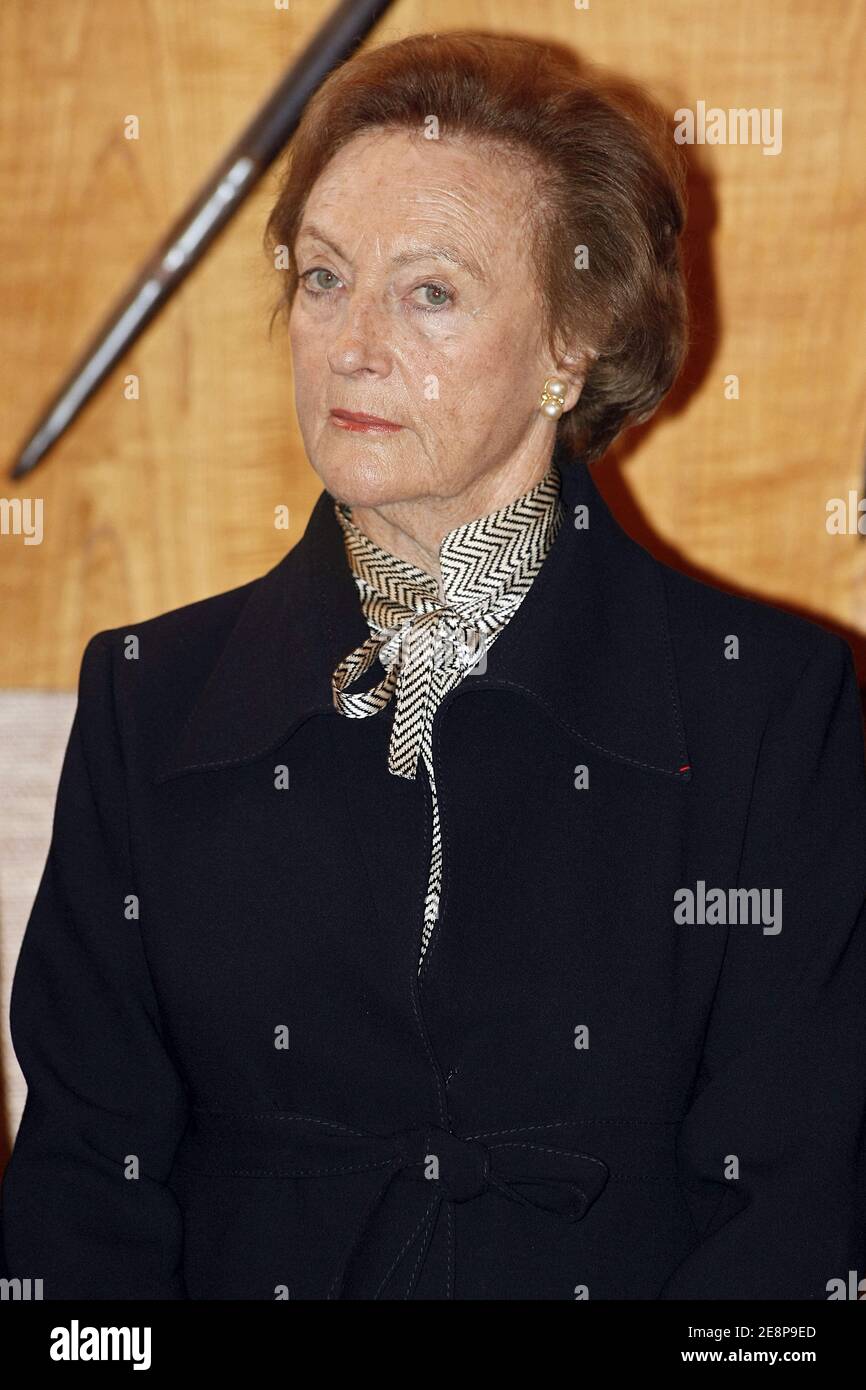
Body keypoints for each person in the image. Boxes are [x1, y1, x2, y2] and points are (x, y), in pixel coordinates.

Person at [3, 30, 865, 1300]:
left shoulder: (768, 707)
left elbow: (791, 1218)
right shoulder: (151, 696)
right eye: (323, 278)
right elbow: (82, 1196)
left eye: (430, 293)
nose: (350, 344)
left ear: (571, 345)